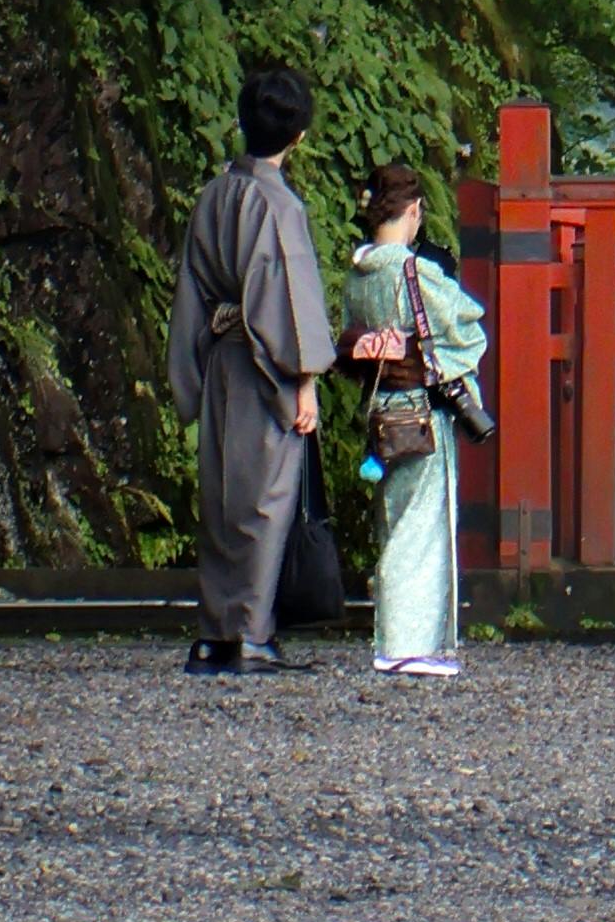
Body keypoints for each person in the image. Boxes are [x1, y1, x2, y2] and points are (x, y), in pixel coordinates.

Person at [167, 64, 335, 677]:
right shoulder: (277, 204)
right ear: (299, 138)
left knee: (222, 496)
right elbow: (285, 300)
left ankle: (214, 631)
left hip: (219, 364)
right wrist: (305, 380)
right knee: (266, 497)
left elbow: (192, 289)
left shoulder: (214, 194)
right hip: (267, 366)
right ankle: (251, 635)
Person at [340, 160, 489, 681]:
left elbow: (348, 343)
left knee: (393, 520)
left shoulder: (357, 276)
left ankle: (398, 636)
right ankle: (409, 642)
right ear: (415, 211)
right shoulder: (415, 272)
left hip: (381, 411)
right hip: (422, 412)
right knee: (420, 527)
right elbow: (468, 329)